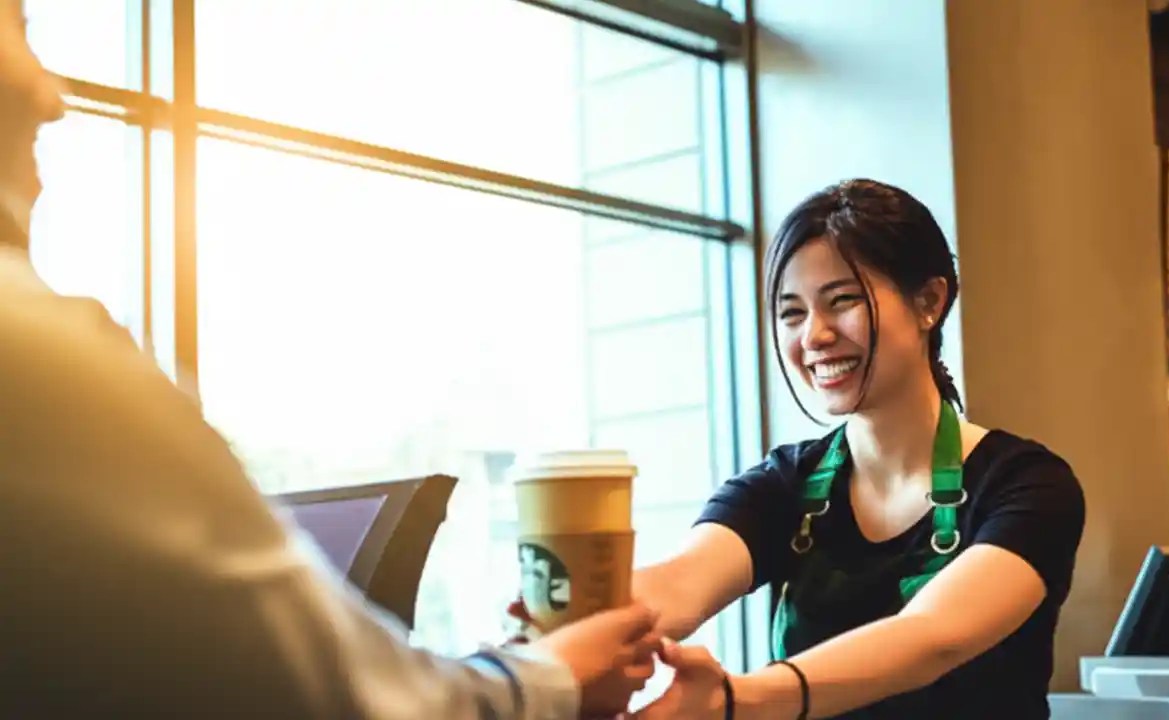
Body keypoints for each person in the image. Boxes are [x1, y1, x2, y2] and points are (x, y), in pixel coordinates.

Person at [0, 2, 659, 717]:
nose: (53, 97)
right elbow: (334, 696)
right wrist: (549, 680)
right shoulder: (43, 357)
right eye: (17, 33)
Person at [628, 180, 1087, 719]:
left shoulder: (1026, 486)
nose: (814, 336)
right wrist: (570, 626)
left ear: (929, 303)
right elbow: (682, 581)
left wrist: (738, 702)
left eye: (842, 301)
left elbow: (931, 637)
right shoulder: (784, 485)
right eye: (792, 312)